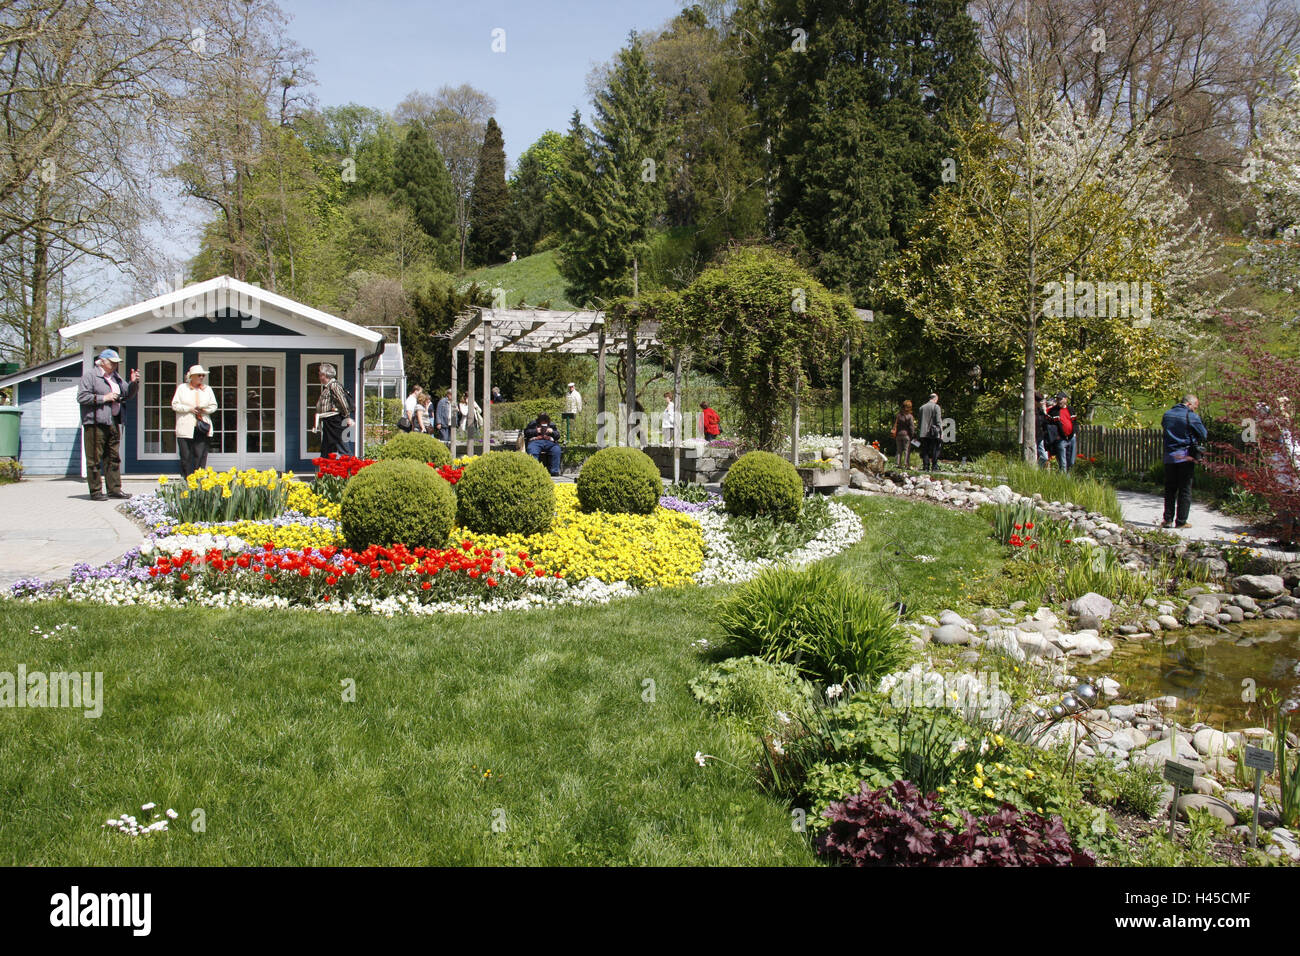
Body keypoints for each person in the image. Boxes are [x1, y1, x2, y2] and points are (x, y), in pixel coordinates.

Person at [77, 349, 140, 500]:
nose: (114, 366)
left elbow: (127, 394)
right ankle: (96, 491)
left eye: (116, 363)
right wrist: (104, 398)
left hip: (114, 420)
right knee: (94, 458)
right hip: (95, 422)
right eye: (112, 363)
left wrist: (134, 382)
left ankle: (114, 490)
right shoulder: (90, 376)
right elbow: (82, 397)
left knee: (113, 457)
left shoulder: (116, 378)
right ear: (102, 361)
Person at [1161, 394, 1207, 529]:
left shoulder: (1167, 414)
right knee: (1185, 489)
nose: (1195, 410)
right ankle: (1181, 521)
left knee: (1170, 489)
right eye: (1195, 407)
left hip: (1169, 456)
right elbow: (1203, 434)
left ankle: (1167, 520)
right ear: (1189, 404)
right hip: (1185, 456)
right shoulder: (1191, 416)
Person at [171, 365, 218, 478]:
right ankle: (186, 481)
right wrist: (189, 408)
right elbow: (175, 405)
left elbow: (214, 406)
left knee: (200, 456)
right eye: (199, 375)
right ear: (191, 376)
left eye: (203, 375)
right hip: (185, 426)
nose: (202, 377)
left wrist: (204, 409)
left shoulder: (207, 389)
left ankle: (199, 482)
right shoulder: (182, 388)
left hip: (202, 426)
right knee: (185, 457)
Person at [316, 363, 355, 458]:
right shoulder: (328, 387)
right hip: (329, 421)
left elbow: (343, 402)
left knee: (342, 447)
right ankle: (326, 470)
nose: (319, 377)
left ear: (326, 375)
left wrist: (347, 417)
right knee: (327, 449)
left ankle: (352, 469)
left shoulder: (334, 386)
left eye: (321, 374)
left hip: (335, 422)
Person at [1036, 392, 1062, 468]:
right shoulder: (1034, 411)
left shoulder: (1044, 412)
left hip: (1046, 436)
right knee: (1043, 456)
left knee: (1046, 457)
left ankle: (1041, 471)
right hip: (1039, 436)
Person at [919, 393, 943, 471]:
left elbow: (920, 421)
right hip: (934, 433)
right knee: (935, 449)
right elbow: (938, 420)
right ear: (935, 399)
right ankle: (934, 466)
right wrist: (941, 432)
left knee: (925, 450)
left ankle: (926, 466)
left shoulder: (922, 407)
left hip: (923, 432)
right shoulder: (936, 407)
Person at [1054, 392, 1076, 472]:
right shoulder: (1054, 411)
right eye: (1057, 399)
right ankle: (1063, 480)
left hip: (1071, 438)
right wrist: (1056, 435)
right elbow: (1051, 424)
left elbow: (1074, 422)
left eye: (1060, 399)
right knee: (1063, 463)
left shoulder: (1071, 409)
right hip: (1061, 439)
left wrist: (1074, 433)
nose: (1059, 401)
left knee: (1071, 461)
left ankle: (1069, 479)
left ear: (1065, 399)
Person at [892, 399, 916, 469]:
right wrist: (913, 435)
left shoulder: (899, 415)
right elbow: (912, 427)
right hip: (906, 435)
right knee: (906, 450)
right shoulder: (910, 416)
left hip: (898, 435)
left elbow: (896, 425)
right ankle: (906, 464)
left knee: (899, 450)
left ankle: (898, 464)